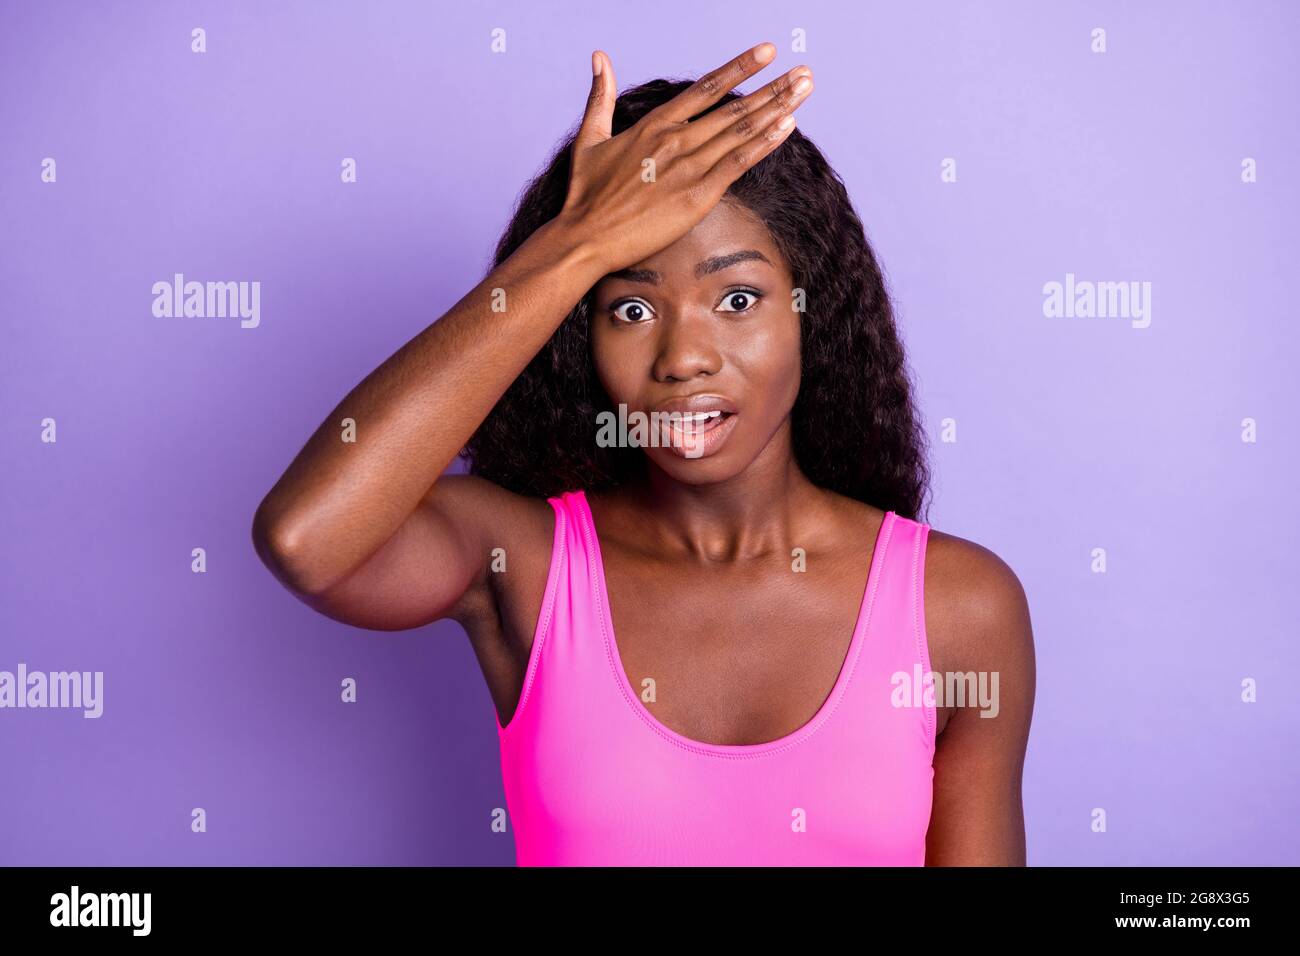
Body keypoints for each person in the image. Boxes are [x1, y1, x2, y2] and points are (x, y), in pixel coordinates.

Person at [252, 42, 1035, 866]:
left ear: (813, 313)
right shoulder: (521, 565)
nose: (682, 358)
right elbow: (307, 541)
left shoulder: (958, 608)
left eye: (737, 299)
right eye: (629, 308)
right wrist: (576, 245)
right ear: (576, 333)